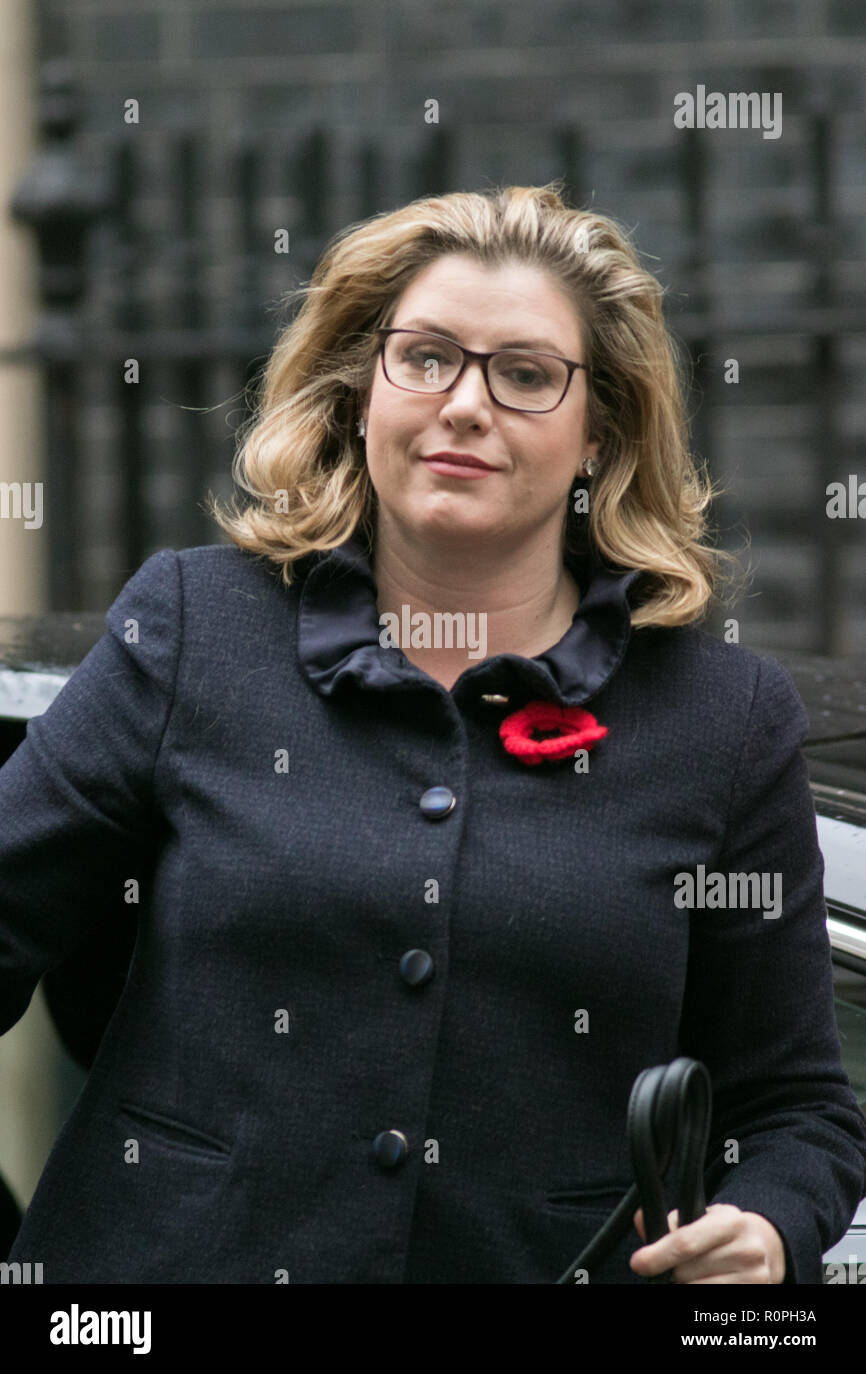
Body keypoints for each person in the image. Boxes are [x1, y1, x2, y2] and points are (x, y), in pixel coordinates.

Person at [2, 181, 865, 1284]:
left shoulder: (720, 720)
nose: (464, 403)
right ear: (362, 388)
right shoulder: (191, 628)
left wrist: (764, 1225)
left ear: (598, 432)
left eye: (522, 374)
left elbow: (794, 1108)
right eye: (426, 357)